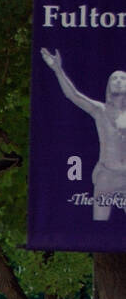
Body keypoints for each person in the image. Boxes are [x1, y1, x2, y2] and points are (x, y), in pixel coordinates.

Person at [41, 48, 126, 221]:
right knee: (99, 225)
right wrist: (58, 70)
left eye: (122, 78)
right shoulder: (100, 110)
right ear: (108, 86)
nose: (118, 81)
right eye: (114, 79)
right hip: (107, 175)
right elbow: (73, 95)